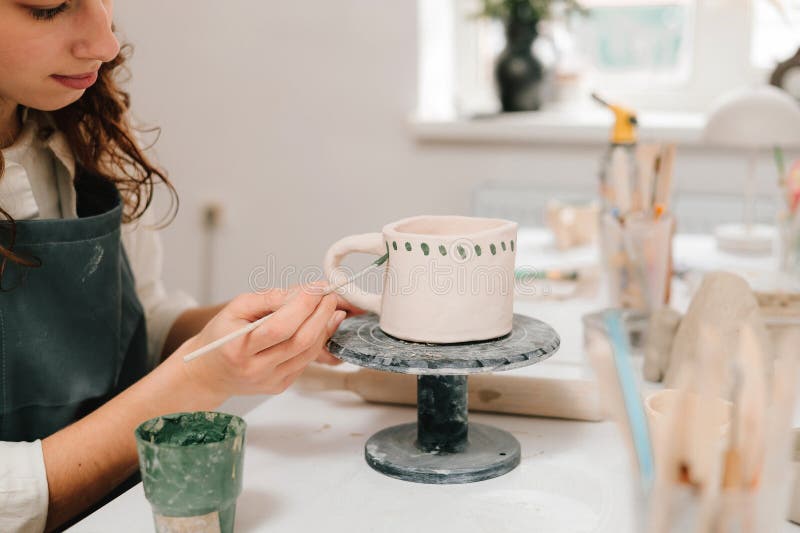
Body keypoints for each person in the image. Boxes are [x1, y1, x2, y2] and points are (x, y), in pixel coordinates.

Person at [0, 1, 355, 531]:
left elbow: (137, 320)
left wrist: (258, 330)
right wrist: (197, 379)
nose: (105, 44)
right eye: (49, 8)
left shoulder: (88, 126)